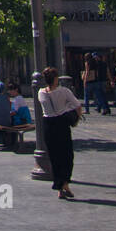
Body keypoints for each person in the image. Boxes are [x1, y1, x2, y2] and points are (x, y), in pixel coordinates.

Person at [38, 65, 84, 199]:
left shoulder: (41, 92)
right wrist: (75, 120)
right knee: (67, 156)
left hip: (48, 125)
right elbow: (78, 106)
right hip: (61, 124)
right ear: (56, 79)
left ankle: (59, 186)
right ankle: (65, 184)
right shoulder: (64, 91)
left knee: (54, 157)